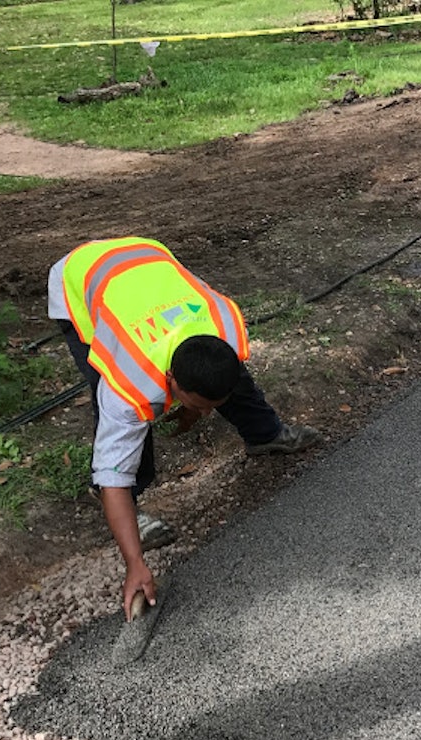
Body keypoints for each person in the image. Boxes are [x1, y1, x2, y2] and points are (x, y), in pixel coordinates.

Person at [48, 236, 320, 620]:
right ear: (171, 379)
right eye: (196, 406)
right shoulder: (131, 383)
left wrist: (196, 406)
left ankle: (265, 435)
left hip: (144, 256)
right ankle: (134, 507)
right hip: (79, 278)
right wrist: (135, 564)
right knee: (115, 406)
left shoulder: (223, 328)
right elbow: (113, 472)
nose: (206, 417)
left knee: (225, 379)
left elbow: (216, 379)